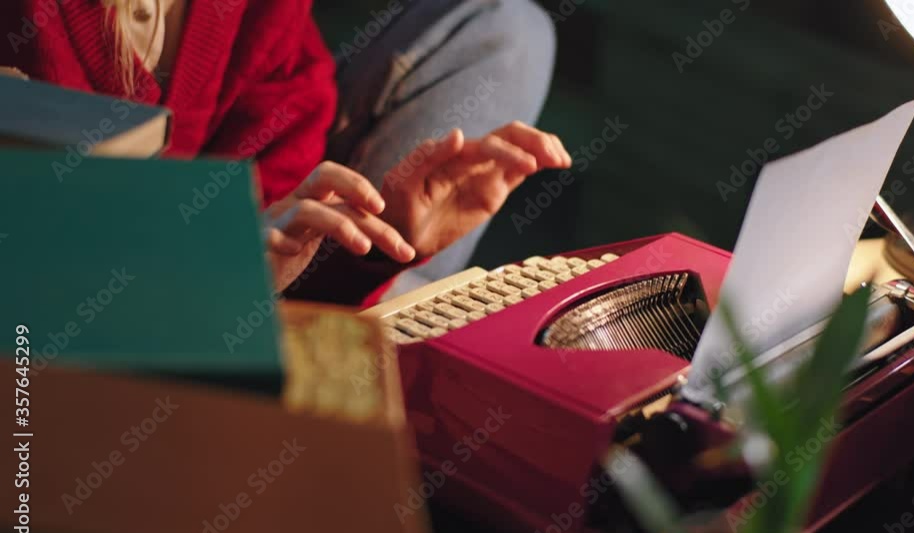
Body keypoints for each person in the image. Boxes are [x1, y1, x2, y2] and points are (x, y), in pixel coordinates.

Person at [0, 0, 569, 304]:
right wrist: (214, 271)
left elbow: (275, 230)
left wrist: (371, 237)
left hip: (227, 282)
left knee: (510, 29)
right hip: (73, 302)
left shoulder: (264, 16)